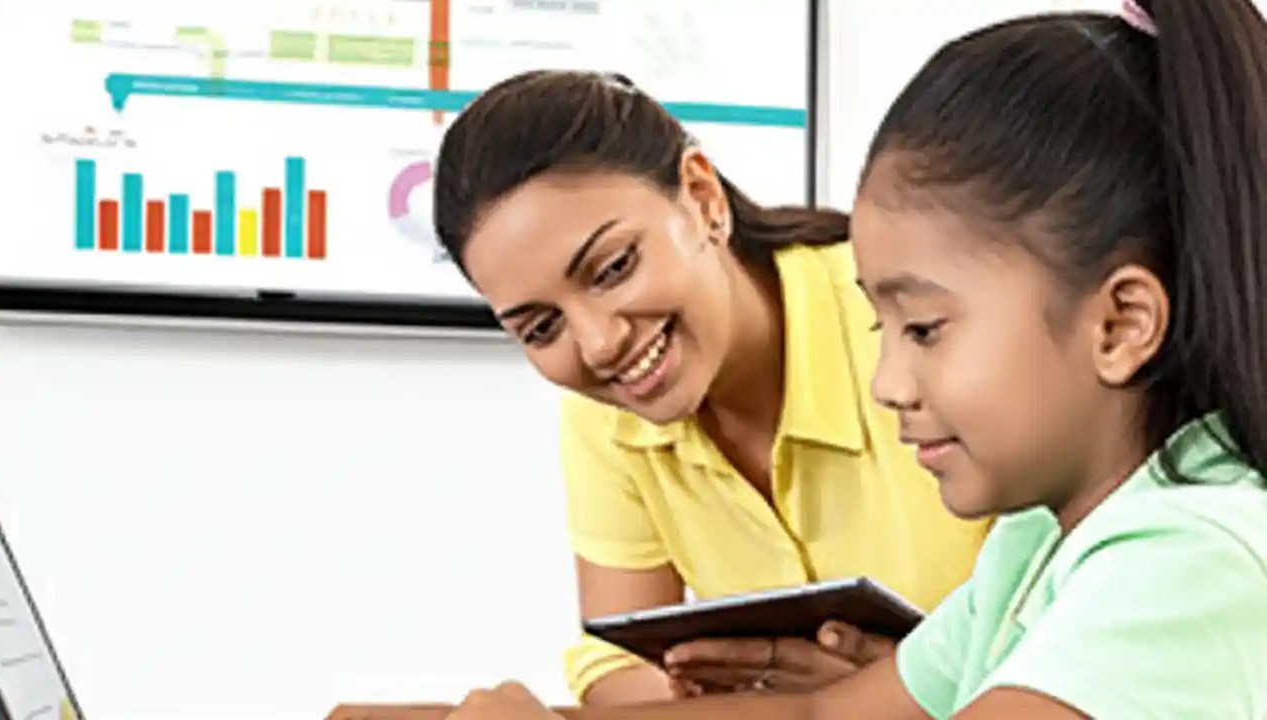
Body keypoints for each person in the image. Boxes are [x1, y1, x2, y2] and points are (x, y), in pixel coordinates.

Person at [439, 0, 1267, 717]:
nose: (888, 385)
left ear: (1120, 325)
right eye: (881, 329)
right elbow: (818, 712)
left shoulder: (1192, 563)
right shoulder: (1033, 542)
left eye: (925, 330)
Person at [430, 67, 991, 703]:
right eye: (540, 327)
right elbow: (610, 664)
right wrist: (747, 697)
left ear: (702, 199)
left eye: (613, 268)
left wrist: (886, 693)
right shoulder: (608, 417)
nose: (597, 343)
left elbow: (1089, 638)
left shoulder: (909, 324)